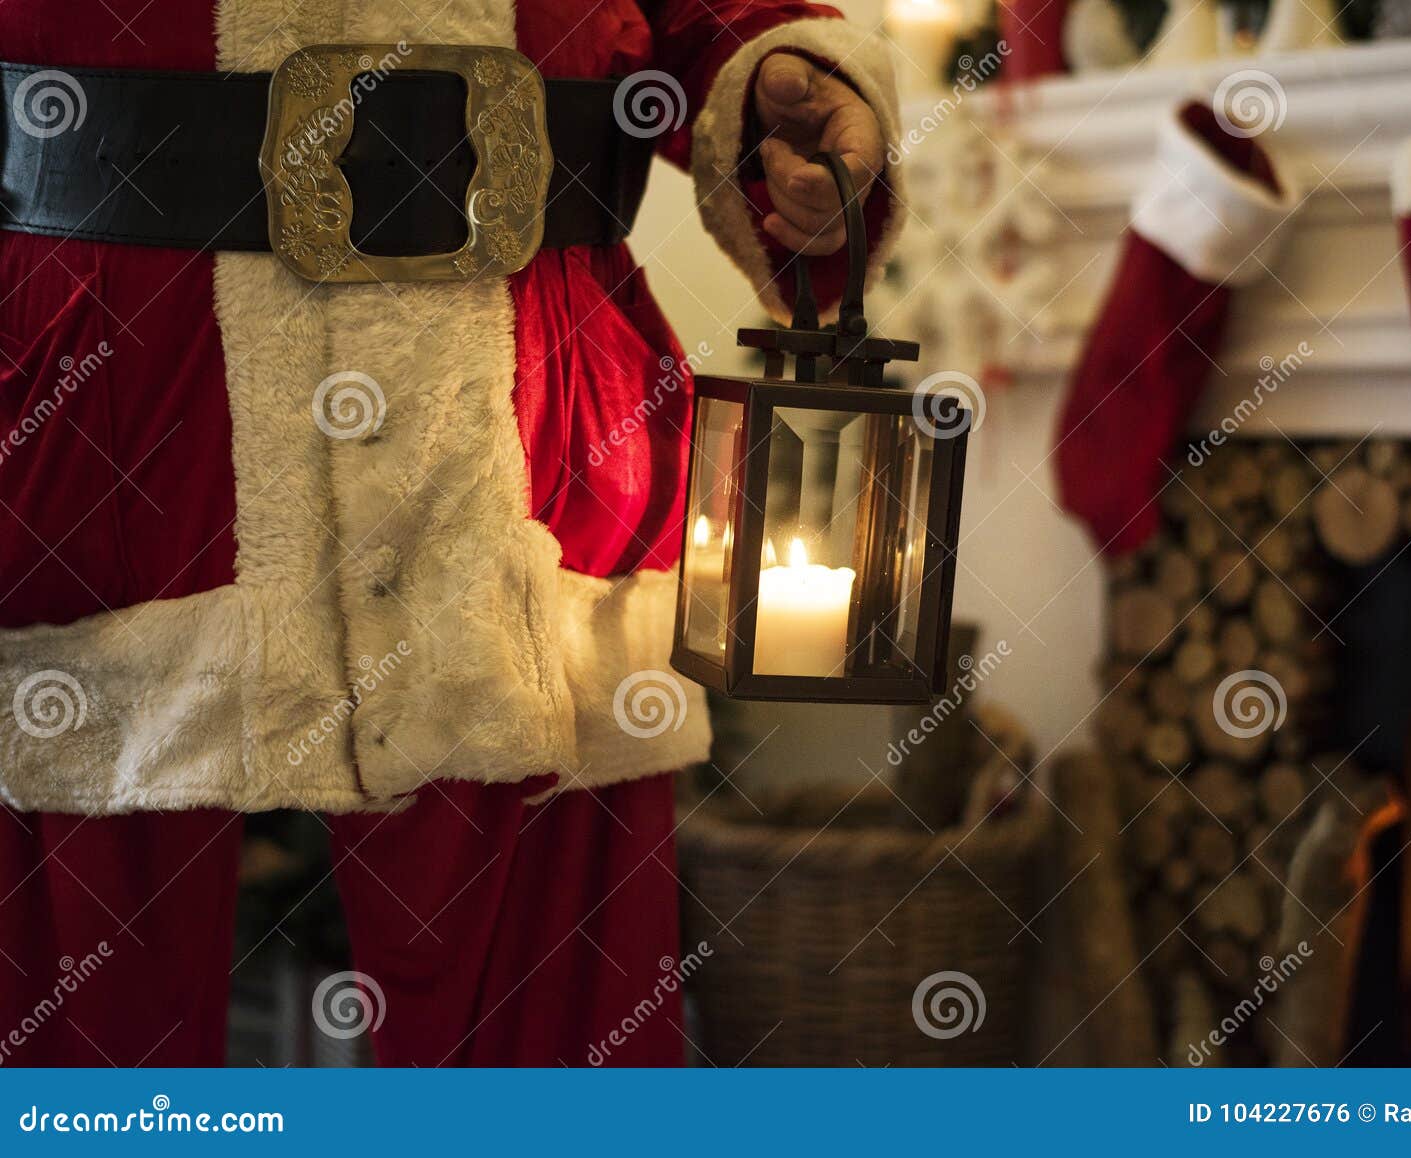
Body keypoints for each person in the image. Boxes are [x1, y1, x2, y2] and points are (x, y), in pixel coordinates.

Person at [0, 0, 903, 1065]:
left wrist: (779, 72)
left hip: (537, 443)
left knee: (558, 1053)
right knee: (82, 1055)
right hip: (112, 434)